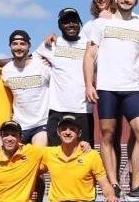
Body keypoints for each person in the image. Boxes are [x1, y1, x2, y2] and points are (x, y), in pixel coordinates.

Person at [82, 0, 139, 201]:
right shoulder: (101, 23)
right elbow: (89, 56)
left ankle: (136, 187)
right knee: (107, 135)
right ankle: (113, 185)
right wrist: (89, 85)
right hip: (107, 88)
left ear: (135, 1)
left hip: (134, 88)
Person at [38, 8, 96, 146]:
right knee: (55, 153)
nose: (70, 24)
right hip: (57, 109)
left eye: (74, 21)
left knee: (85, 153)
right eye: (66, 21)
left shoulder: (89, 43)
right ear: (59, 25)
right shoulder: (51, 44)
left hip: (83, 110)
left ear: (79, 23)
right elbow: (27, 59)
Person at [1, 30, 50, 146]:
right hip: (19, 125)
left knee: (38, 153)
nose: (19, 47)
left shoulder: (42, 65)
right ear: (10, 46)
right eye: (15, 44)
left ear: (29, 46)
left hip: (41, 123)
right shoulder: (6, 71)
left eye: (22, 44)